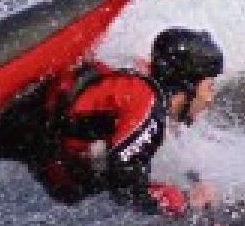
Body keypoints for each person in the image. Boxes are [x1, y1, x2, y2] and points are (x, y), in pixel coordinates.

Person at [36, 27, 224, 216]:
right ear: (188, 86)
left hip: (43, 133)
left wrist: (195, 180)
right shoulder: (148, 103)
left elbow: (171, 151)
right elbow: (125, 187)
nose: (210, 98)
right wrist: (185, 201)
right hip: (32, 130)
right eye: (209, 86)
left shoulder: (148, 87)